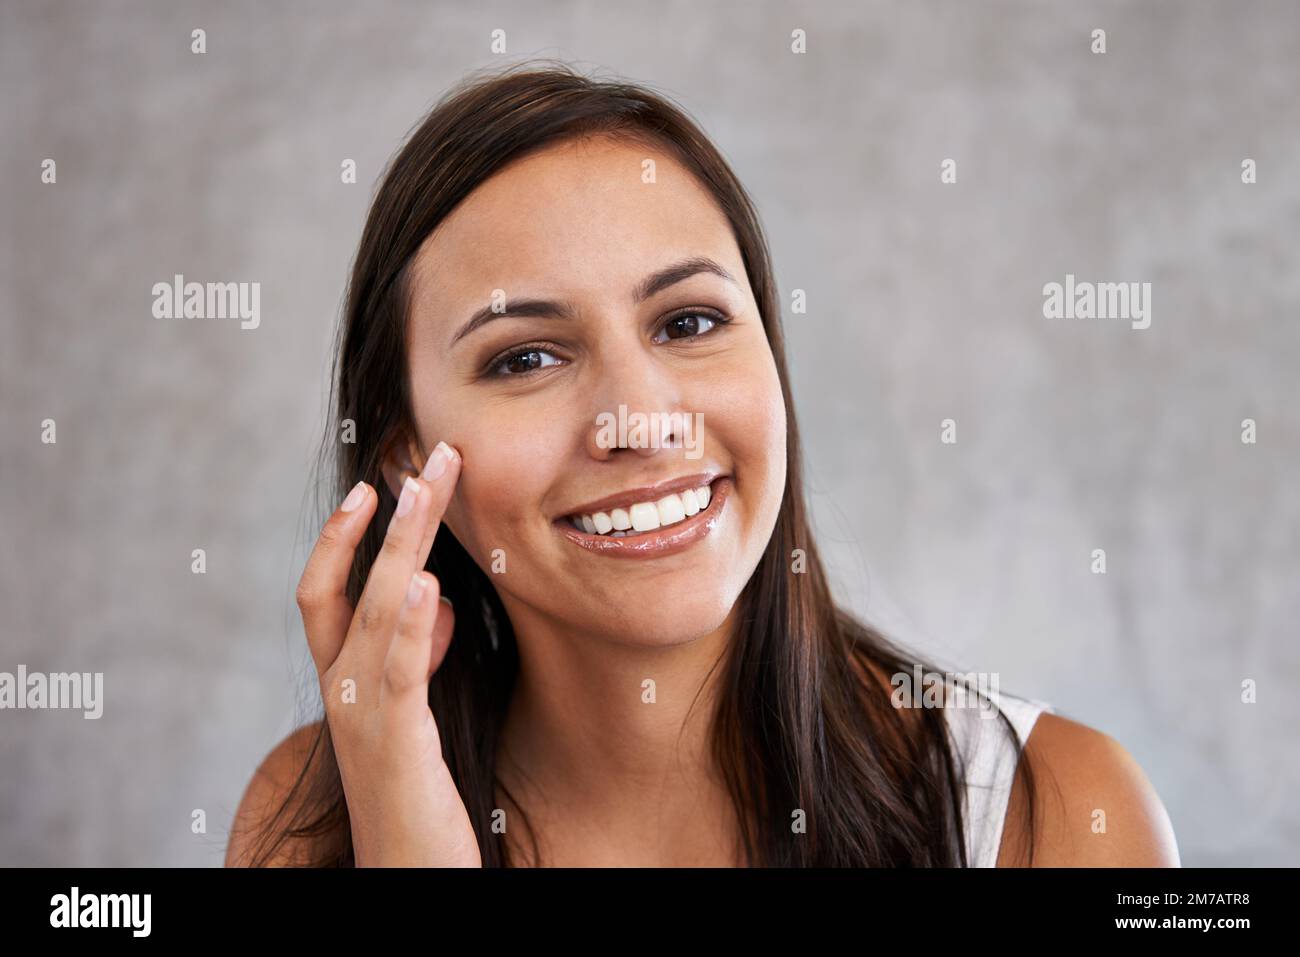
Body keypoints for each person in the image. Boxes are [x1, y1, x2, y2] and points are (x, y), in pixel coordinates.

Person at [225, 61, 1179, 867]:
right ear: (402, 454)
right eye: (525, 357)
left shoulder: (1059, 814)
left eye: (689, 322)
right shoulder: (310, 822)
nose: (642, 421)